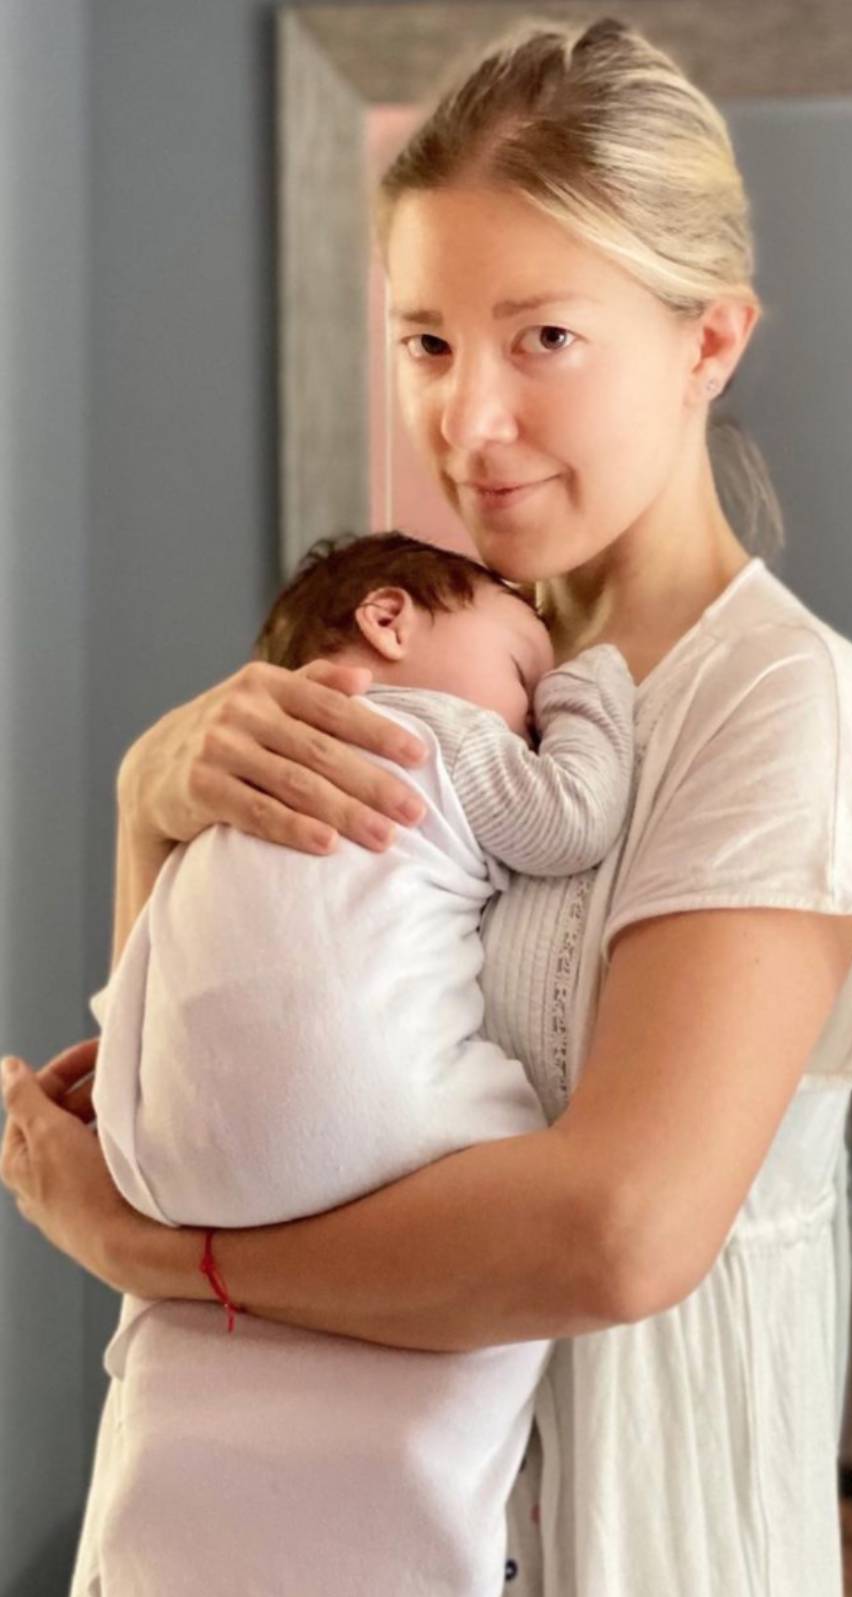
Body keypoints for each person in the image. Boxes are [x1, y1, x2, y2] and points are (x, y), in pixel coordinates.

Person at [0, 15, 852, 1594]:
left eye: (542, 338)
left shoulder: (780, 706)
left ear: (709, 341)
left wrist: (161, 1257)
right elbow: (233, 1088)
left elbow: (616, 1232)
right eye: (427, 341)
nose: (467, 420)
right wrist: (148, 803)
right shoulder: (436, 675)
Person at [77, 528, 636, 1595]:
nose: (530, 708)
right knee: (519, 1132)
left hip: (163, 1165)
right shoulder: (429, 731)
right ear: (389, 620)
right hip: (368, 1135)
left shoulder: (218, 811)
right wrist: (594, 686)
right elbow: (570, 819)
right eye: (524, 670)